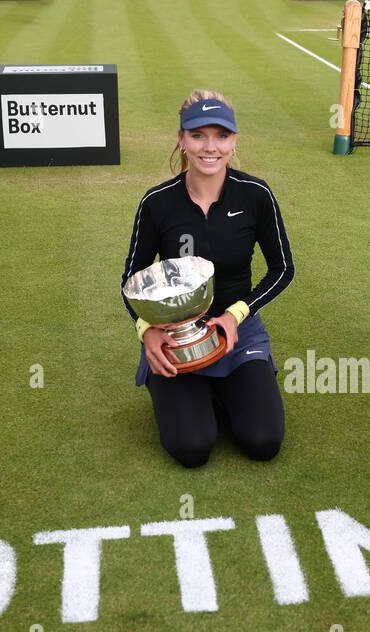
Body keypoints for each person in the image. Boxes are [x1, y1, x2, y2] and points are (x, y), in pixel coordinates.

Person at [122, 90, 294, 467]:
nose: (210, 147)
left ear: (234, 141)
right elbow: (131, 279)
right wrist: (146, 331)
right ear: (182, 139)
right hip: (174, 338)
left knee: (263, 441)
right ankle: (180, 387)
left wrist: (236, 314)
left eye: (221, 136)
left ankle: (234, 383)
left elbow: (283, 269)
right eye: (198, 135)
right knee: (192, 448)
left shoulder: (255, 194)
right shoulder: (157, 202)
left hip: (238, 332)